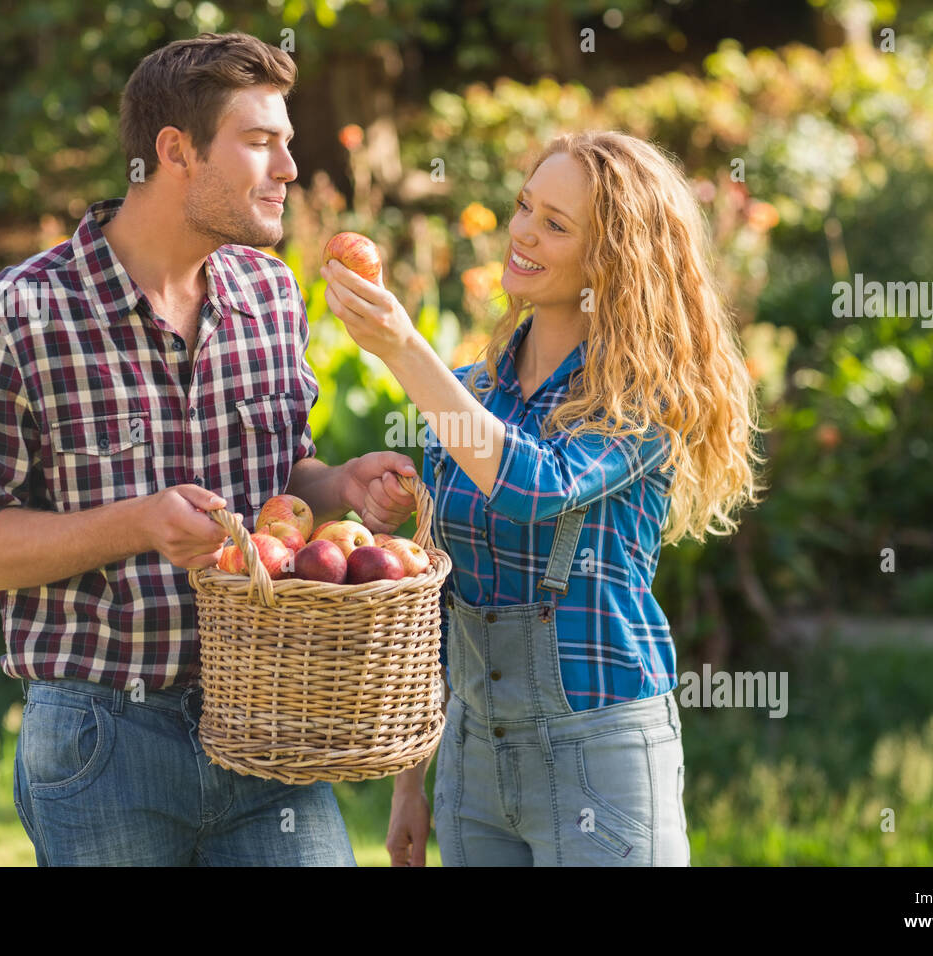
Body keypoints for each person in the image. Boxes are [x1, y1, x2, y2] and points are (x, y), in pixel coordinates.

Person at [0, 32, 417, 866]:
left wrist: (340, 486)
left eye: (287, 144)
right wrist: (138, 523)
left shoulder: (269, 293)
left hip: (270, 723)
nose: (289, 168)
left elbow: (283, 482)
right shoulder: (16, 315)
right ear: (175, 152)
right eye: (261, 143)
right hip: (103, 743)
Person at [320, 130, 766, 866]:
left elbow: (539, 487)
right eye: (525, 206)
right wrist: (411, 782)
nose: (522, 231)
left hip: (600, 753)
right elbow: (438, 599)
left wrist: (403, 349)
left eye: (557, 224)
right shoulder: (471, 391)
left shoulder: (643, 399)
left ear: (614, 260)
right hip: (473, 763)